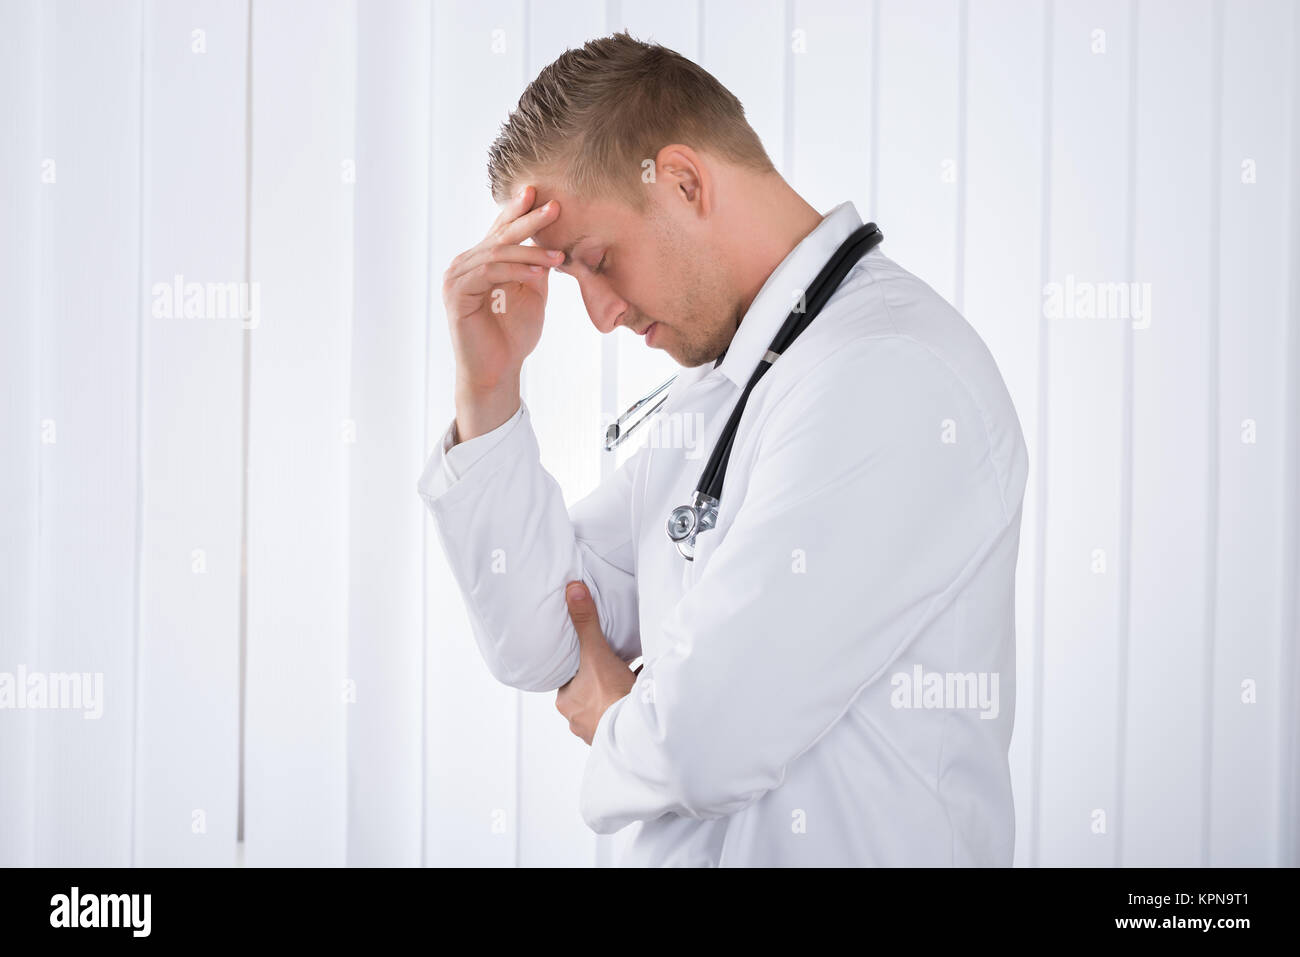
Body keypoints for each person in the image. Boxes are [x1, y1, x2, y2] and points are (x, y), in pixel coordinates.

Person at [418, 31, 1029, 867]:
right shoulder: (726, 389)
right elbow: (542, 635)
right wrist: (488, 391)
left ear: (682, 180)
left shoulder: (888, 372)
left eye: (596, 260)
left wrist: (615, 719)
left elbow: (707, 739)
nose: (598, 315)